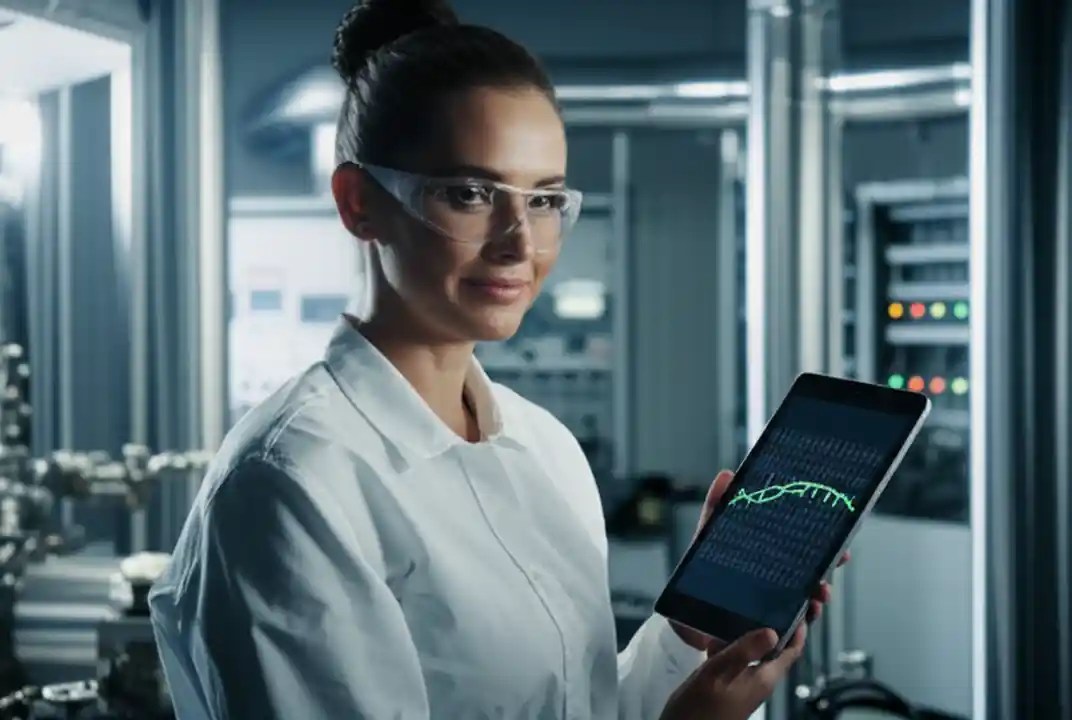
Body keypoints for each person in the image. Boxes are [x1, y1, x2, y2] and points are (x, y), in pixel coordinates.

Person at [148, 1, 847, 717]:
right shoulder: (292, 484)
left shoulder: (543, 447)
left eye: (544, 199)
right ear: (359, 203)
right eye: (472, 194)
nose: (520, 242)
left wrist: (686, 640)